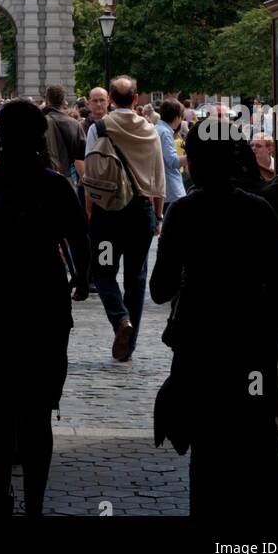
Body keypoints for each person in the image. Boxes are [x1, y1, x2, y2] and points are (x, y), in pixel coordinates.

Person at [0, 99, 90, 516]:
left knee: (1, 407)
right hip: (44, 301)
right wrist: (81, 279)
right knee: (40, 411)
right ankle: (36, 505)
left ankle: (3, 483)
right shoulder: (55, 185)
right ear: (41, 137)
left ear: (0, 137)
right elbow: (80, 240)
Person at [150, 125, 278, 517]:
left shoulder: (184, 212)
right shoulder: (257, 210)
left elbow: (160, 288)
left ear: (194, 163)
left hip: (200, 342)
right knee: (257, 428)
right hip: (251, 341)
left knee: (209, 448)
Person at [85, 75, 165, 361]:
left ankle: (121, 320)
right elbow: (159, 175)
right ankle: (128, 347)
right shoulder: (150, 130)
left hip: (108, 214)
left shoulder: (100, 128)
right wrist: (157, 215)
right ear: (135, 99)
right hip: (141, 214)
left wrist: (90, 211)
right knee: (136, 276)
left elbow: (91, 176)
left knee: (104, 272)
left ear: (109, 98)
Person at [41, 84, 85, 189]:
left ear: (47, 100)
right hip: (67, 178)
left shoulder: (37, 123)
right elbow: (81, 155)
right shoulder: (74, 124)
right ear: (63, 101)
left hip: (41, 179)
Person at [156, 99, 186, 216]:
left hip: (164, 190)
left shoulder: (158, 129)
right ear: (177, 117)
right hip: (172, 191)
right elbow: (173, 161)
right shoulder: (165, 132)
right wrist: (195, 155)